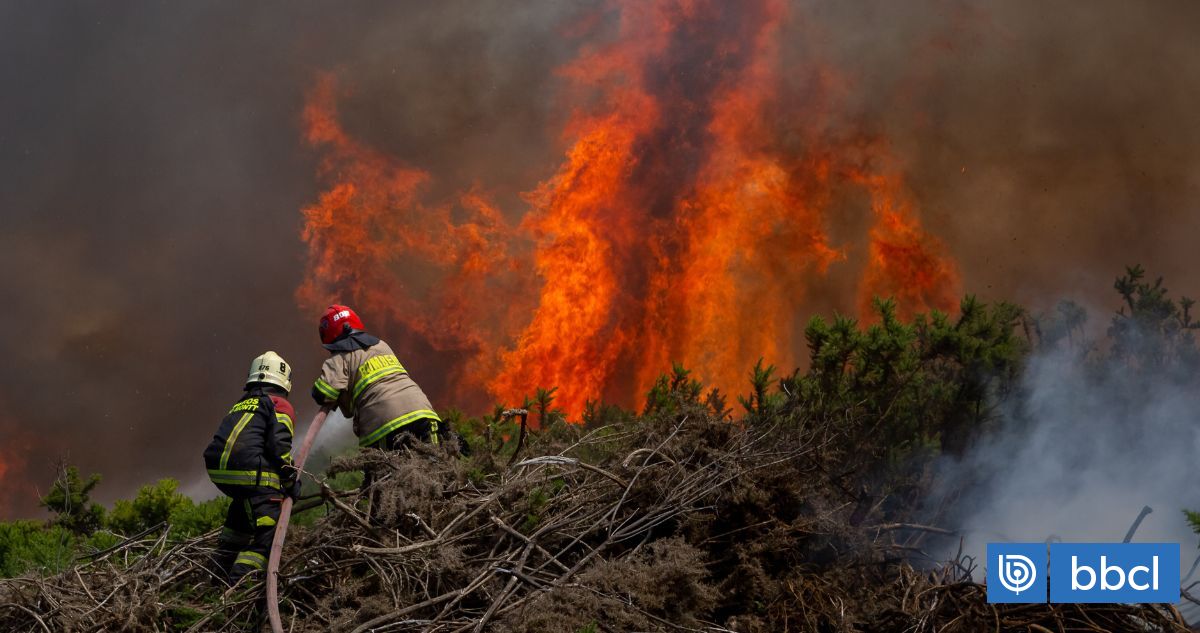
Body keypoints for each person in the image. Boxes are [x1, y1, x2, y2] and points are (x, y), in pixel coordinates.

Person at [202, 351, 299, 583]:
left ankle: (215, 578)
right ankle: (239, 587)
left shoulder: (241, 404)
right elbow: (279, 449)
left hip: (222, 474)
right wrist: (289, 482)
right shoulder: (280, 404)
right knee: (267, 538)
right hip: (249, 474)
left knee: (239, 527)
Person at [310, 305, 451, 450]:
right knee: (436, 466)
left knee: (388, 471)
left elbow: (323, 393)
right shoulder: (382, 346)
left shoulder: (338, 358)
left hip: (384, 425)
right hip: (423, 413)